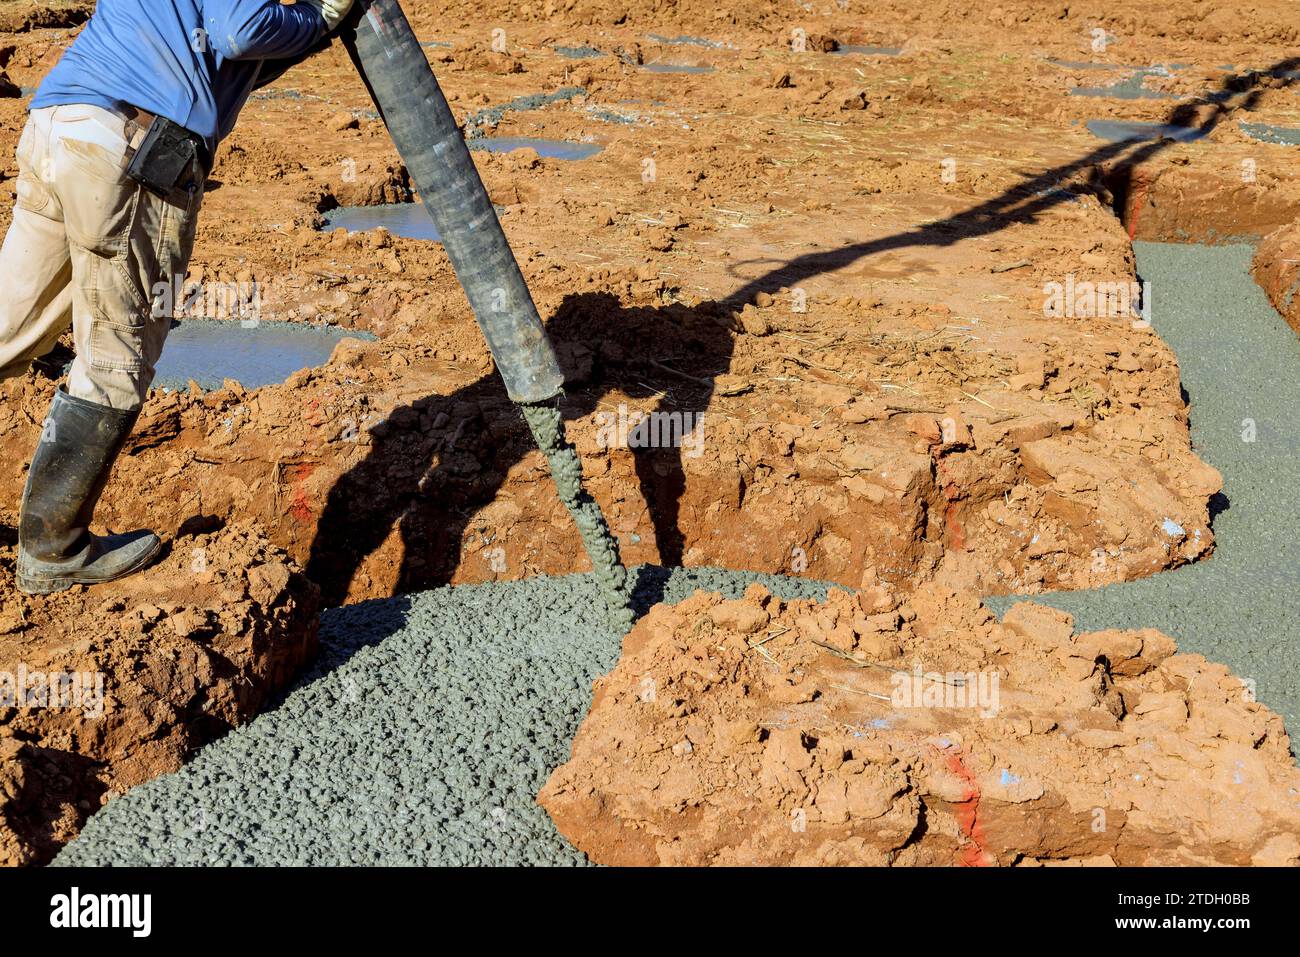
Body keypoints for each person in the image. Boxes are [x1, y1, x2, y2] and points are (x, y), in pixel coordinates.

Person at [0, 0, 352, 594]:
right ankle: (53, 548)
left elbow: (222, 51)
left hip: (62, 122)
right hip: (130, 153)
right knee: (118, 354)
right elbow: (241, 33)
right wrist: (317, 21)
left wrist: (304, 33)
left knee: (8, 326)